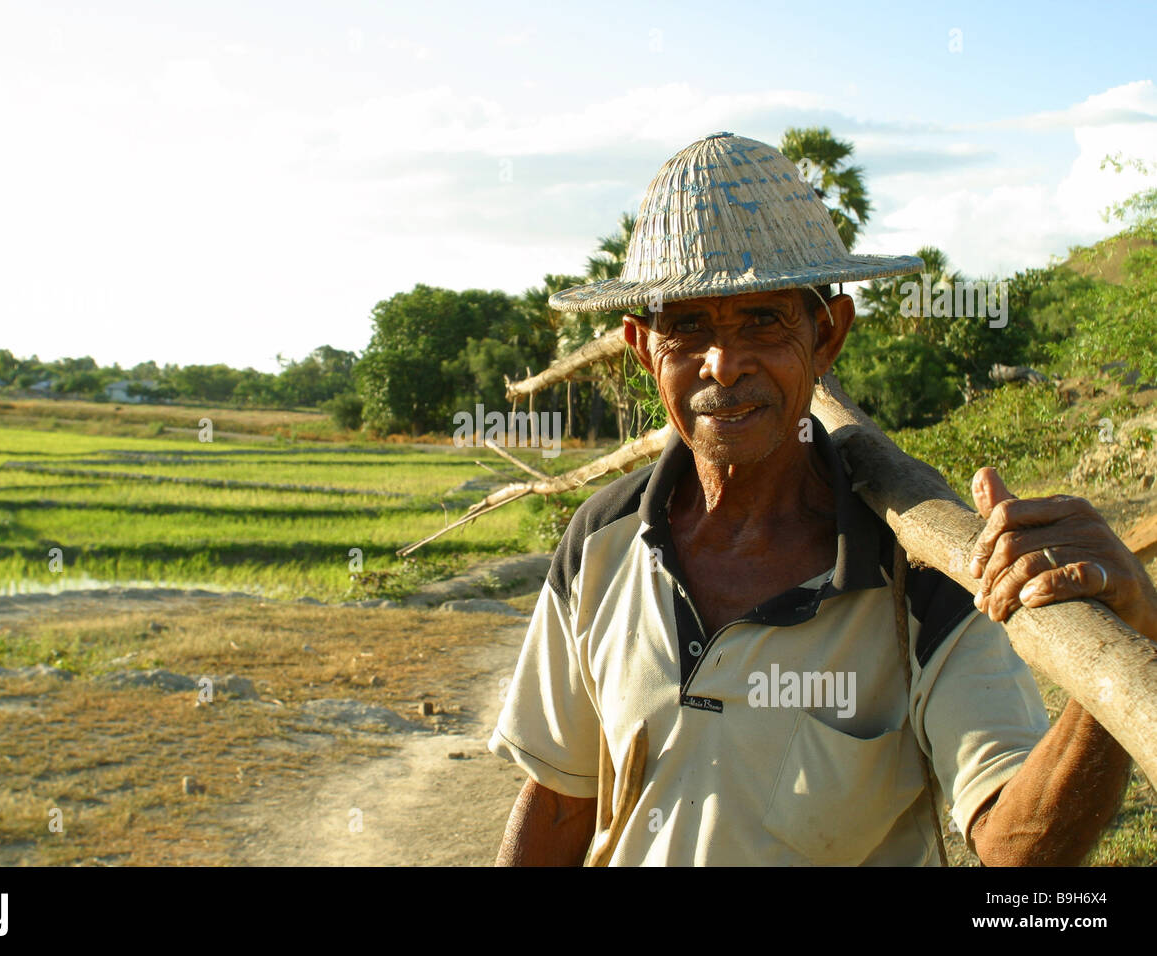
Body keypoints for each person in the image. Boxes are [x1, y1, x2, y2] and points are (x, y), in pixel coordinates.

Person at [488, 132, 1157, 866]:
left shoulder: (928, 577)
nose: (725, 362)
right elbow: (559, 801)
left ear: (827, 333)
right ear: (644, 348)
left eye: (763, 320)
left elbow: (1018, 848)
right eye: (688, 327)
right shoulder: (602, 540)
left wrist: (1125, 650)